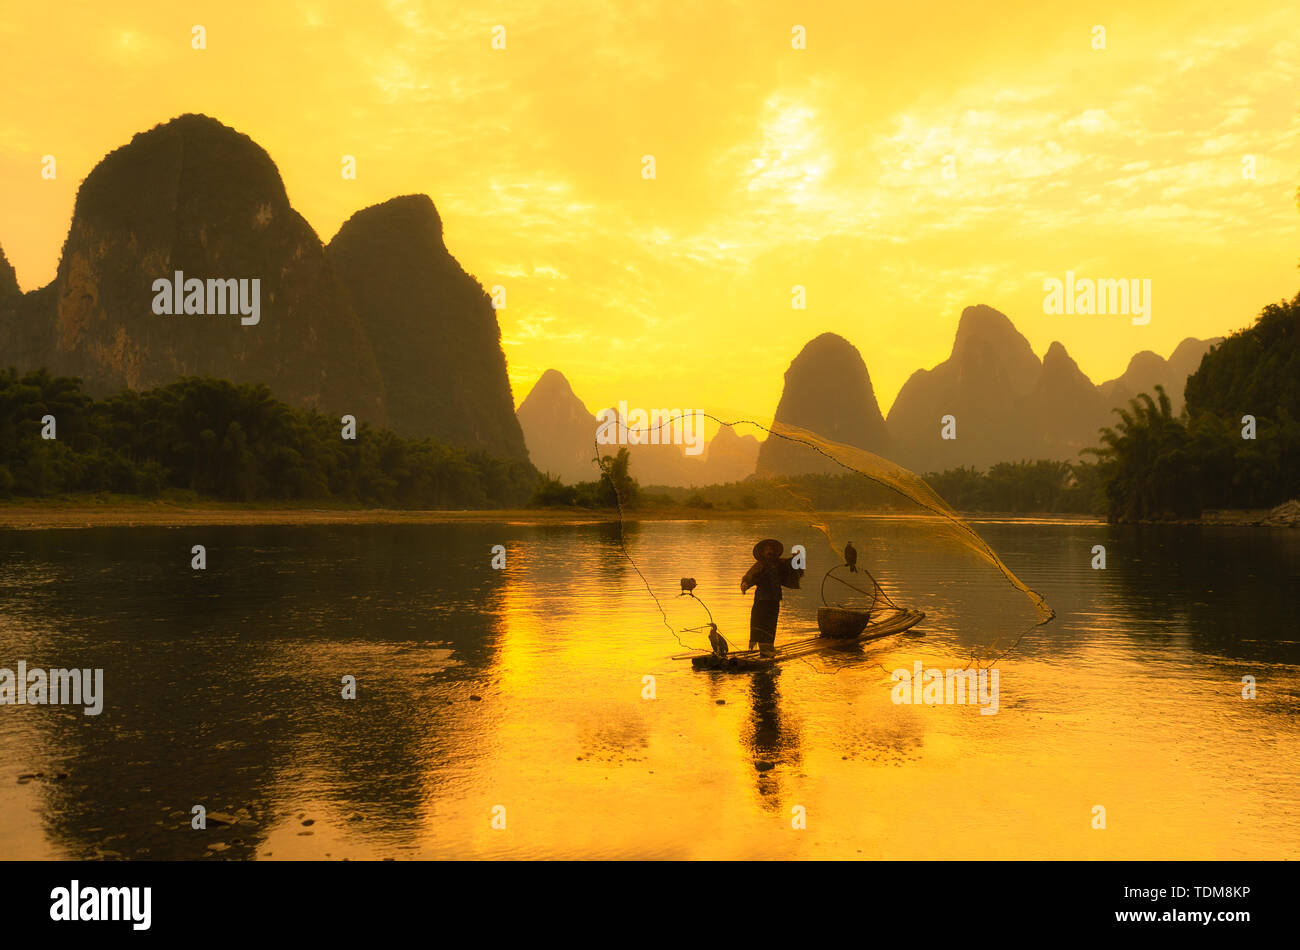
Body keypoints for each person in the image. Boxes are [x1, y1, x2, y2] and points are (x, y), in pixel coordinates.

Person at [740, 539, 802, 657]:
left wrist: (796, 557)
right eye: (767, 549)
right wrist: (745, 584)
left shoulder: (779, 563)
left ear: (774, 551)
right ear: (762, 552)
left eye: (771, 549)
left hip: (774, 597)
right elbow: (750, 576)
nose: (769, 551)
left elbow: (792, 567)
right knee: (761, 622)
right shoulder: (759, 565)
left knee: (771, 623)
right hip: (762, 598)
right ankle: (764, 649)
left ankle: (769, 647)